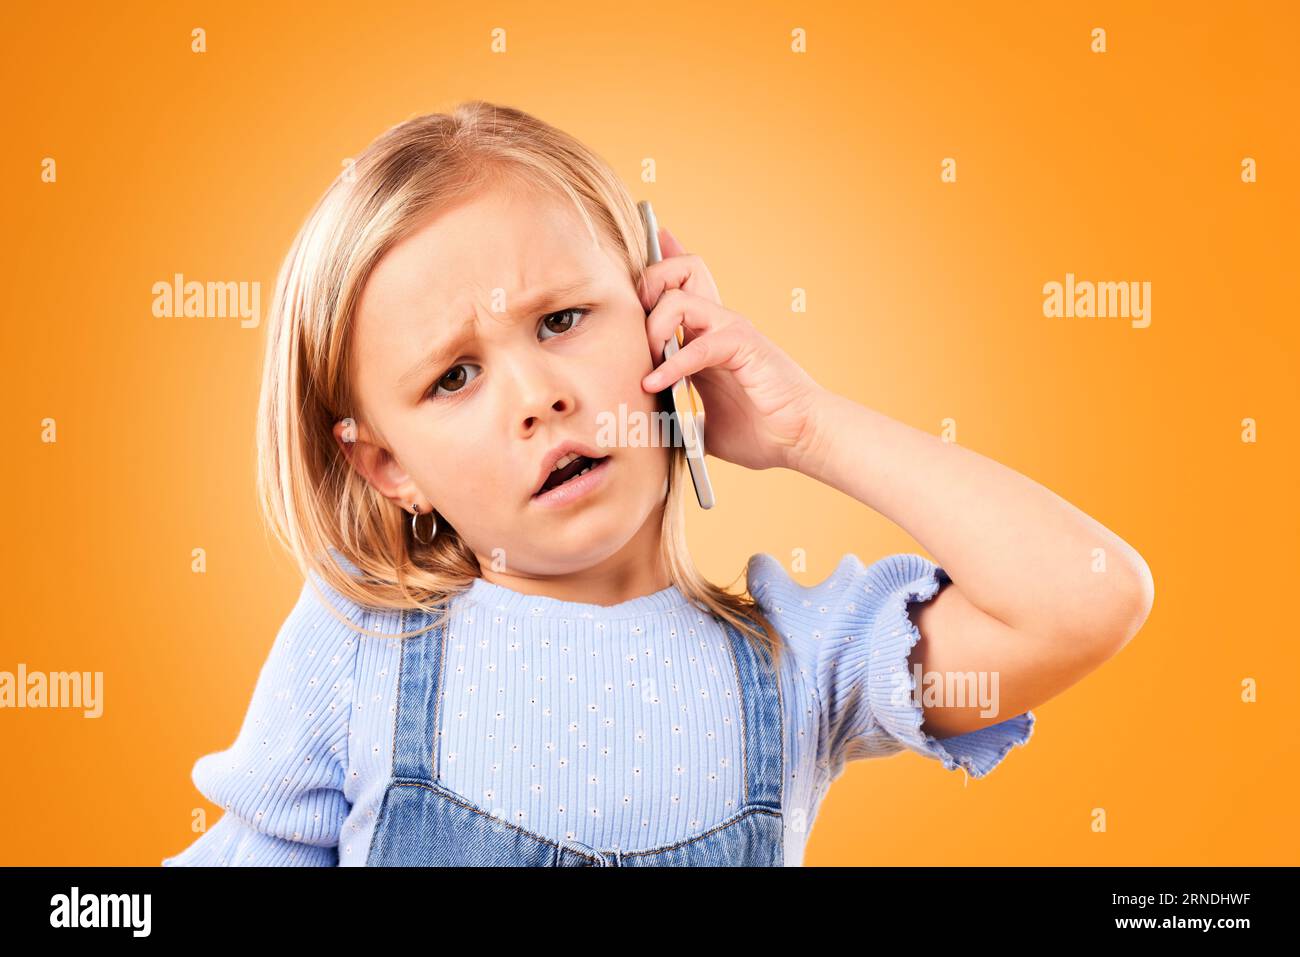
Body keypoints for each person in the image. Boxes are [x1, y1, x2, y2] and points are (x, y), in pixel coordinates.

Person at [162, 100, 1153, 867]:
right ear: (387, 468)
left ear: (659, 321)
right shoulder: (356, 648)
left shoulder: (799, 663)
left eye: (561, 321)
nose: (538, 396)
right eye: (454, 376)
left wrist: (803, 430)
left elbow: (1087, 596)